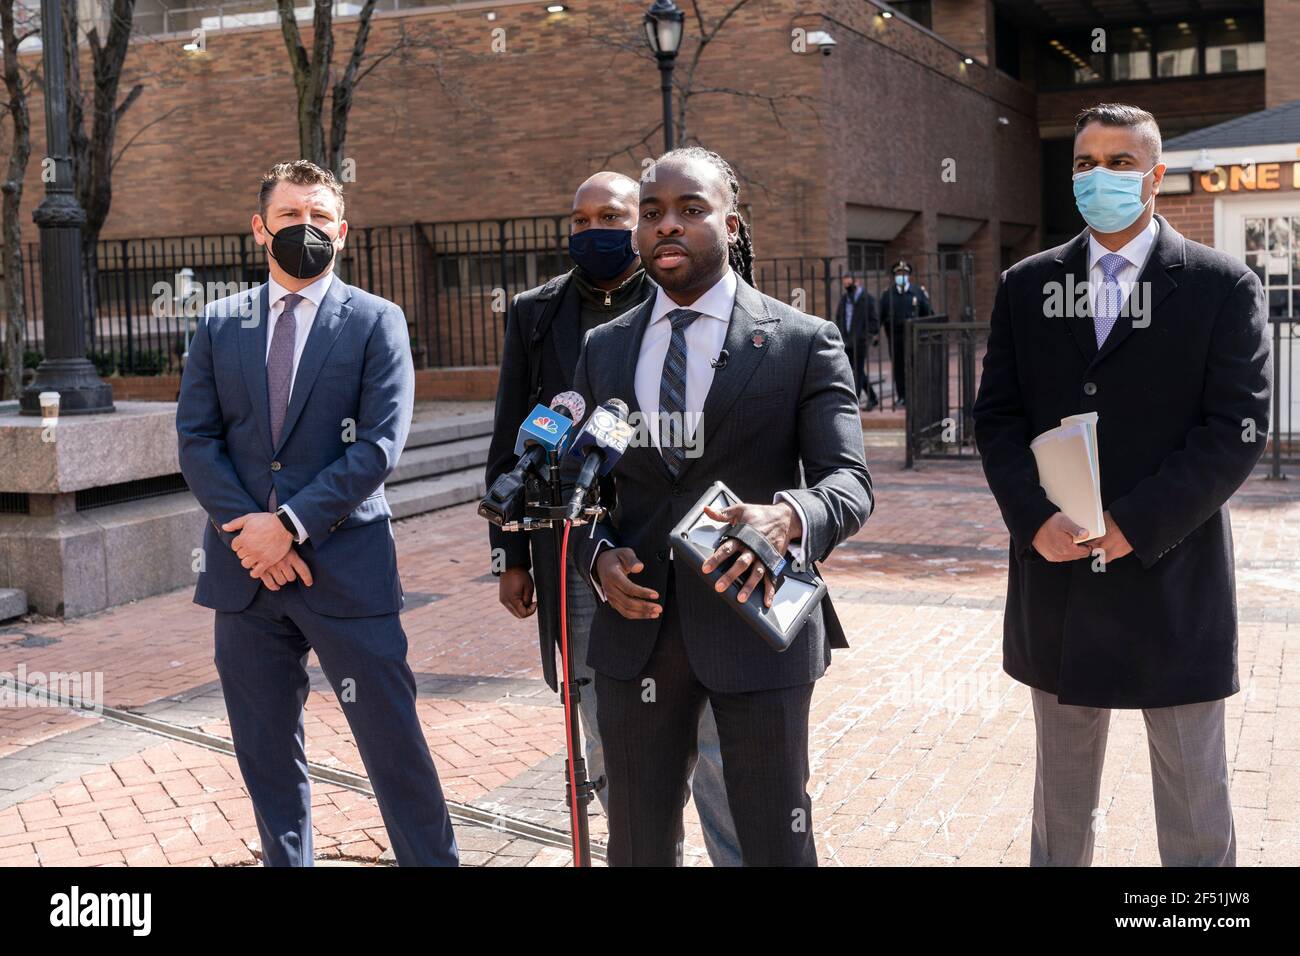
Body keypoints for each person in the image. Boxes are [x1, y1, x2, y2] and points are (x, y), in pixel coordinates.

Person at [972, 103, 1271, 867]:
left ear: (1156, 175)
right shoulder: (1026, 284)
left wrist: (1136, 522)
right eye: (1084, 163)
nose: (1099, 176)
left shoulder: (1220, 285)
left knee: (1196, 802)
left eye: (1120, 162)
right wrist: (1031, 518)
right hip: (1059, 571)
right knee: (1062, 802)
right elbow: (998, 417)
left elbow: (1234, 430)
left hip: (1170, 574)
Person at [571, 146, 873, 866]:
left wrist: (789, 515)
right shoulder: (602, 349)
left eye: (690, 210)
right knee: (638, 845)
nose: (666, 226)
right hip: (636, 630)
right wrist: (595, 556)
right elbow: (581, 489)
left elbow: (849, 482)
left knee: (774, 839)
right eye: (651, 214)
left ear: (731, 224)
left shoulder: (802, 342)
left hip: (756, 623)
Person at [176, 160, 458, 866]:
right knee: (266, 753)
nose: (307, 227)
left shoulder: (374, 321)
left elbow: (379, 447)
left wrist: (289, 525)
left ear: (343, 229)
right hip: (246, 581)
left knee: (393, 747)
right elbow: (197, 440)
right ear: (259, 227)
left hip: (346, 568)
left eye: (321, 216)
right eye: (290, 215)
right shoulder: (219, 324)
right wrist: (251, 535)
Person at [484, 171, 742, 865]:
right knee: (606, 722)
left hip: (685, 542)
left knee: (717, 731)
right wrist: (508, 555)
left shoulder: (680, 299)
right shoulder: (537, 314)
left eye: (611, 215)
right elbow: (514, 432)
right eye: (579, 218)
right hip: (579, 547)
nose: (593, 230)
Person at [877, 259, 932, 406]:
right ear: (894, 276)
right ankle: (902, 396)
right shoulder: (888, 294)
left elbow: (928, 313)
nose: (901, 276)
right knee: (899, 367)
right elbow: (880, 316)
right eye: (899, 273)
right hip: (895, 337)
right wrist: (875, 334)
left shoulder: (918, 292)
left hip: (914, 335)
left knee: (915, 366)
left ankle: (916, 396)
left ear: (908, 275)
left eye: (904, 273)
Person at [834, 273, 878, 410]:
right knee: (857, 371)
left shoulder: (867, 299)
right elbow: (839, 317)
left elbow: (874, 321)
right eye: (845, 285)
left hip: (860, 342)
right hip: (847, 341)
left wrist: (866, 336)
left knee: (857, 371)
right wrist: (841, 334)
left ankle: (855, 401)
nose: (847, 287)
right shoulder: (844, 299)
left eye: (849, 284)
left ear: (857, 282)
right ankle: (873, 397)